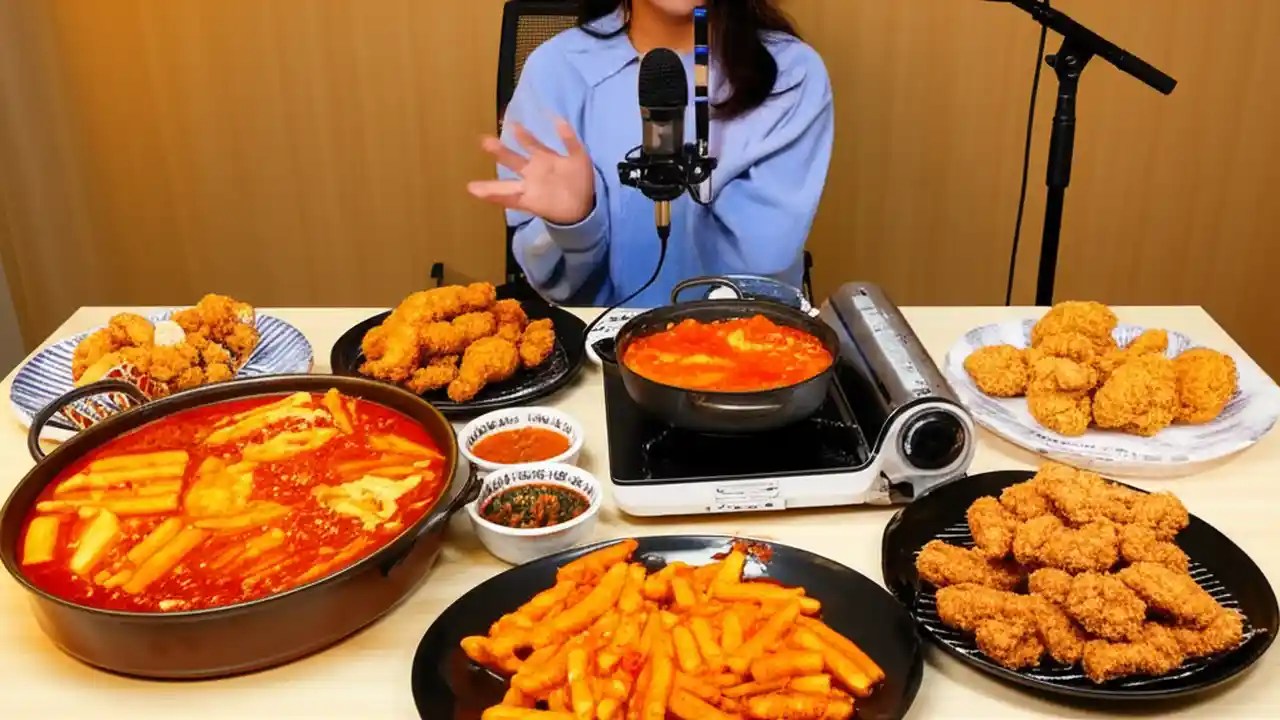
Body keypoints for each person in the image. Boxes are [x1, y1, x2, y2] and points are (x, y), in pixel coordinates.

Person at [468, 0, 834, 307]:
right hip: (601, 353)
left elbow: (762, 269)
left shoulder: (790, 74)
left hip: (747, 346)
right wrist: (574, 224)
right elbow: (555, 286)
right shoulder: (555, 71)